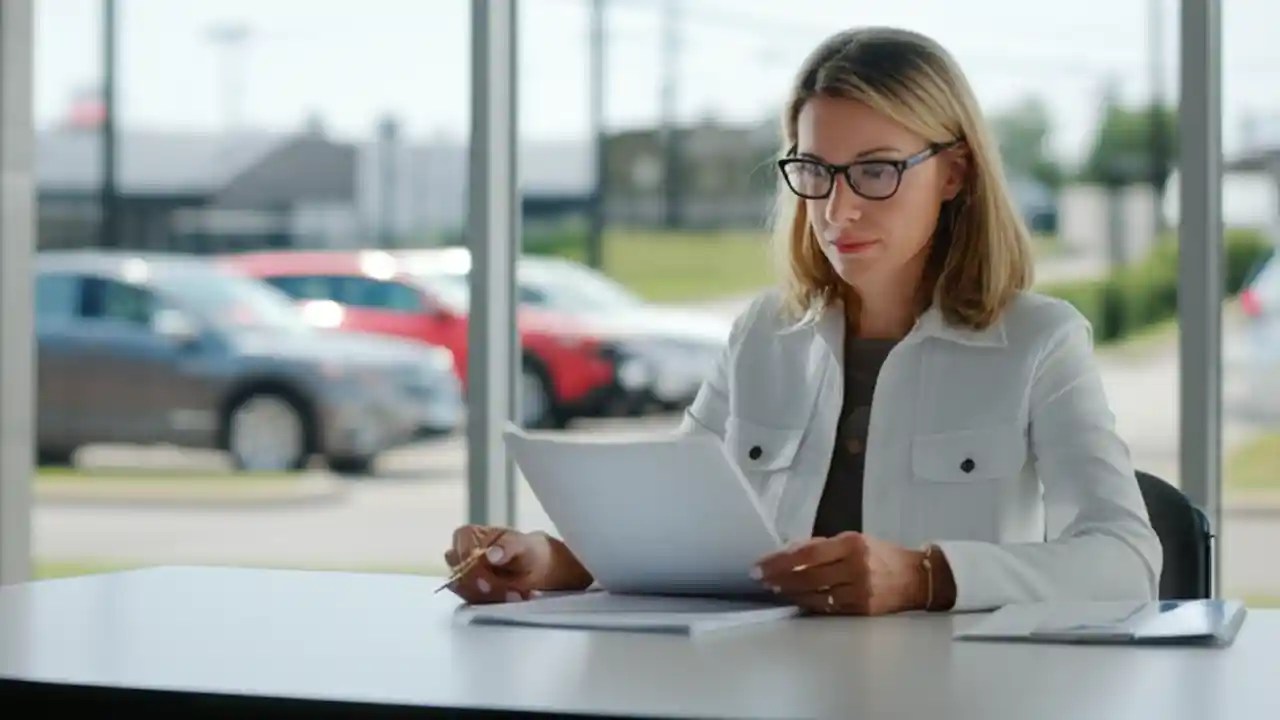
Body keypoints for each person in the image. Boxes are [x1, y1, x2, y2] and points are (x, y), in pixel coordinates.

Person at [443, 26, 1162, 615]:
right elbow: (674, 536)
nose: (836, 209)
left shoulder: (1040, 341)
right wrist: (546, 561)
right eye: (814, 170)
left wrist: (925, 577)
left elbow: (1126, 562)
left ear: (954, 174)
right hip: (766, 690)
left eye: (876, 171)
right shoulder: (763, 333)